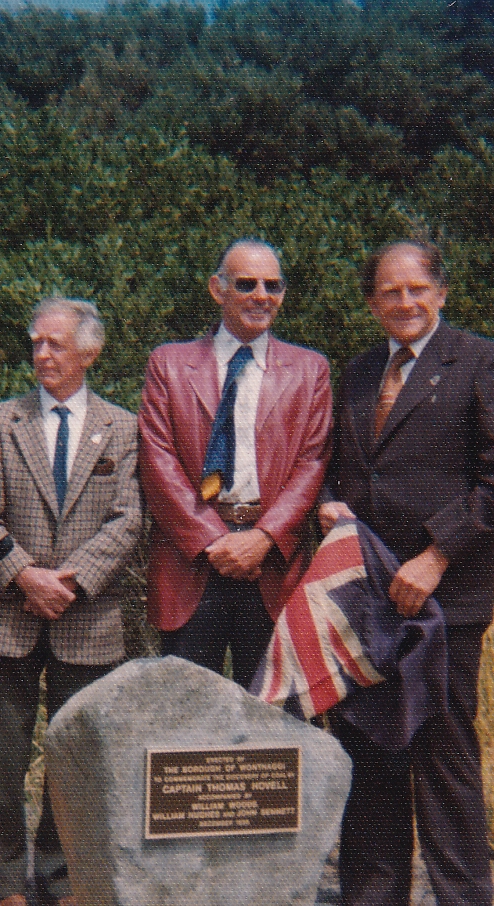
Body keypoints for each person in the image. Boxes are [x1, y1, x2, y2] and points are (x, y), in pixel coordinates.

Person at [309, 240, 494, 906]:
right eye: (388, 292)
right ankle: (374, 897)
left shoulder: (484, 362)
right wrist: (330, 505)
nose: (404, 303)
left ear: (441, 291)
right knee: (369, 741)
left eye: (416, 290)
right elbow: (344, 467)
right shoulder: (363, 369)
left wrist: (435, 556)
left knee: (444, 752)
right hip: (368, 592)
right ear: (371, 300)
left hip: (444, 594)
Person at [0, 297, 142, 906]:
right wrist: (24, 575)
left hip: (87, 617)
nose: (42, 354)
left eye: (55, 344)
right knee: (0, 751)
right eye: (36, 342)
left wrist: (73, 581)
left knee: (76, 752)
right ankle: (1, 880)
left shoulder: (121, 427)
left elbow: (129, 520)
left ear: (89, 352)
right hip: (10, 612)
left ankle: (60, 873)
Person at [137, 239, 332, 689]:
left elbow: (312, 463)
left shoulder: (311, 369)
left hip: (273, 566)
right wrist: (215, 543)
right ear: (216, 288)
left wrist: (262, 538)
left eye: (273, 285)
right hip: (192, 562)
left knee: (272, 723)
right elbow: (158, 461)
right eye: (247, 284)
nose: (262, 295)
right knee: (187, 715)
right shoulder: (168, 364)